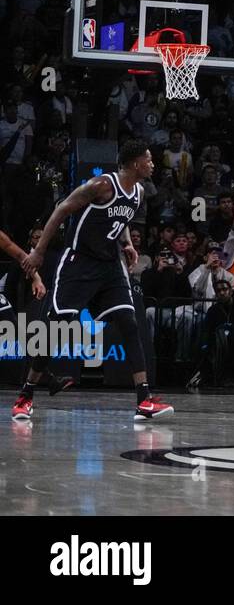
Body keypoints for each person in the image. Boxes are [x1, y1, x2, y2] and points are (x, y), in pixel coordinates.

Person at [14, 139, 172, 422]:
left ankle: (144, 399)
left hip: (109, 265)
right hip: (79, 263)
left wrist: (126, 243)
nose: (152, 164)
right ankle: (26, 395)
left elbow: (120, 221)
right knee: (56, 328)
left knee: (129, 322)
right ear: (135, 163)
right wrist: (39, 251)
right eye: (148, 159)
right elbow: (62, 209)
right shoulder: (101, 185)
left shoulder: (137, 191)